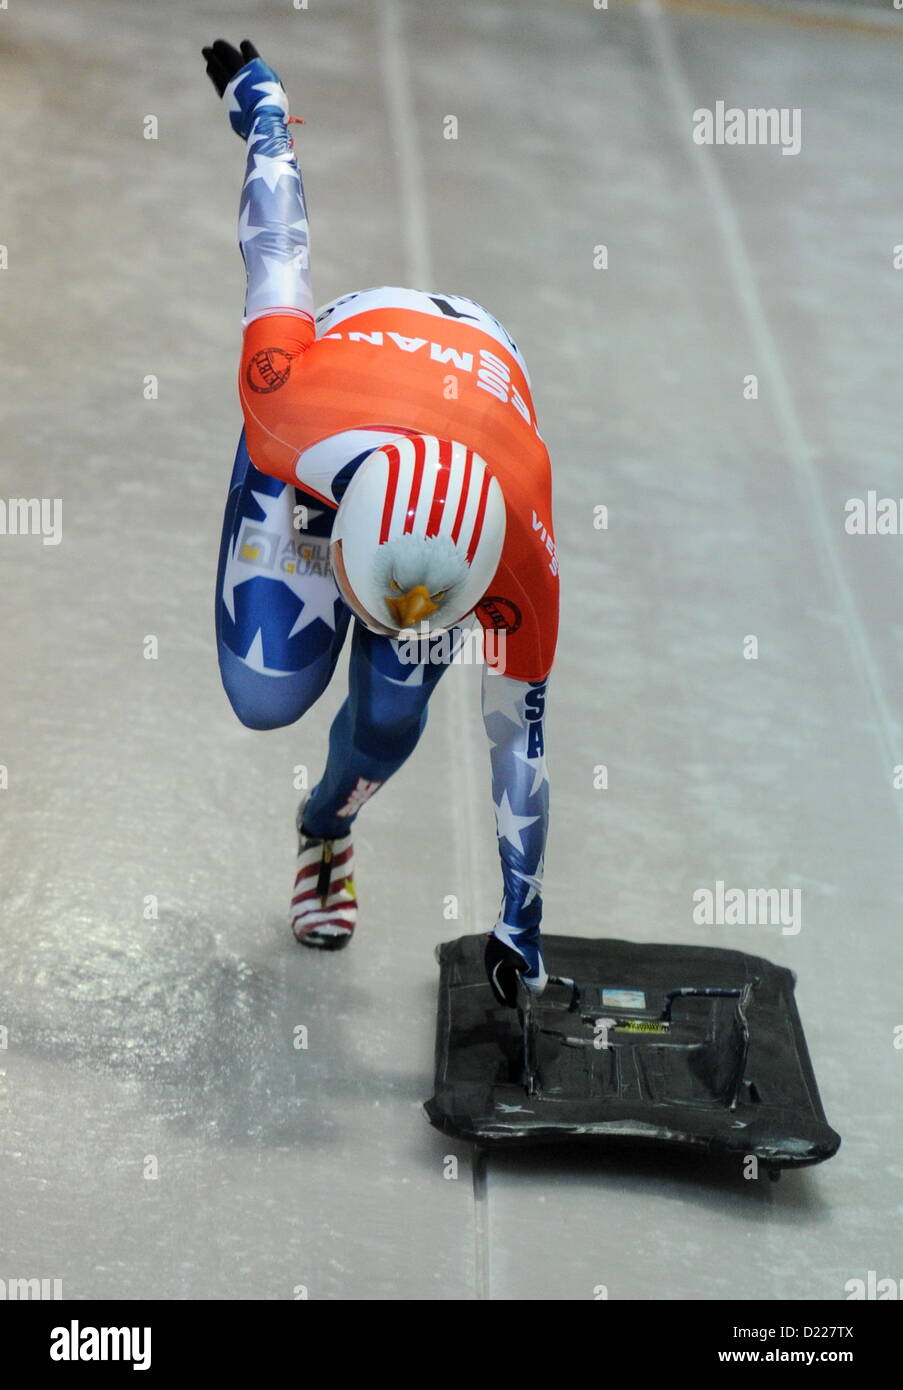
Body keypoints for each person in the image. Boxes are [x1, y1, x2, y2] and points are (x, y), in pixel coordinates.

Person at [203, 39, 559, 1005]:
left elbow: (515, 736)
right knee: (267, 691)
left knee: (391, 719)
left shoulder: (521, 551)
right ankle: (338, 601)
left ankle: (327, 827)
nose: (391, 622)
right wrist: (264, 110)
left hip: (464, 417)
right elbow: (277, 250)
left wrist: (520, 922)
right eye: (376, 600)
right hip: (349, 407)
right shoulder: (289, 408)